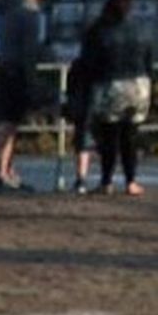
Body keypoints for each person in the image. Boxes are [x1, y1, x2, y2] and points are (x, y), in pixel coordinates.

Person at [83, 0, 153, 196]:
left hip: (111, 85)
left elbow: (89, 62)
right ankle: (131, 181)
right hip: (139, 85)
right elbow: (149, 59)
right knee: (130, 136)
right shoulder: (141, 29)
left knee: (109, 137)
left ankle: (107, 181)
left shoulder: (99, 30)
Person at [0, 0, 48, 193]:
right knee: (10, 125)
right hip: (19, 71)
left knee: (8, 123)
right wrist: (32, 80)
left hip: (5, 67)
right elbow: (29, 51)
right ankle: (1, 174)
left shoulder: (6, 9)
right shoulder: (29, 13)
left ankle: (5, 171)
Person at [65, 29, 97, 194]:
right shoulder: (104, 61)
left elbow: (70, 87)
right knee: (109, 140)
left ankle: (81, 180)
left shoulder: (78, 64)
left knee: (82, 142)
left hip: (82, 105)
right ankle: (106, 180)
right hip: (100, 103)